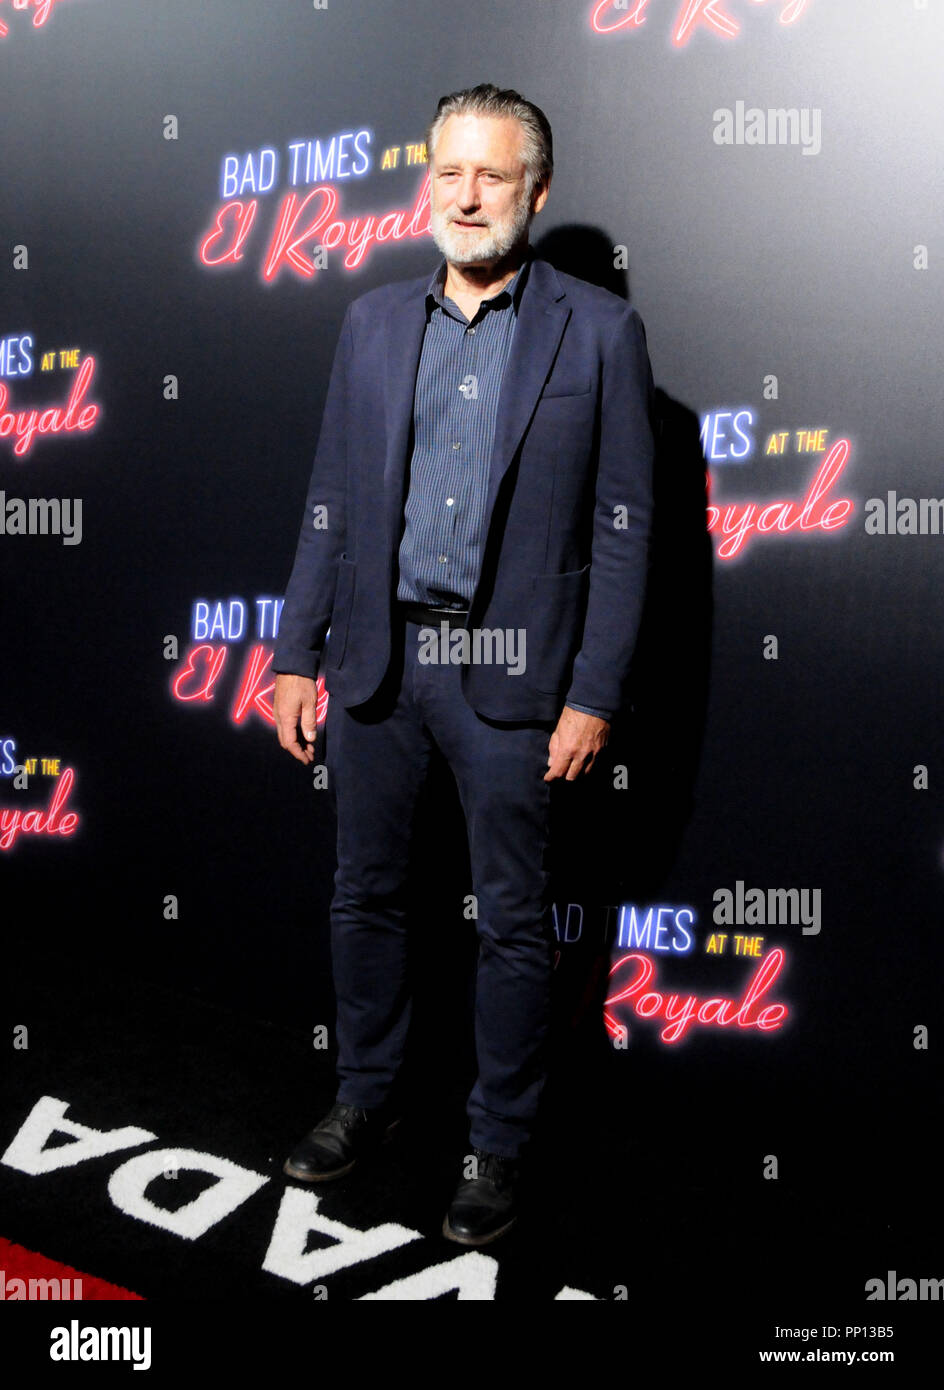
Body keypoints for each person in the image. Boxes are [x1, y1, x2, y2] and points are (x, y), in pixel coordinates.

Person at [272, 83, 656, 1246]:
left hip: (513, 682)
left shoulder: (598, 330)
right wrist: (297, 650)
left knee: (511, 924)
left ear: (534, 191)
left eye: (491, 175)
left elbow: (623, 524)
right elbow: (332, 498)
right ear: (426, 180)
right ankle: (366, 1097)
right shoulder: (372, 323)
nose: (466, 194)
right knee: (364, 897)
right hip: (379, 663)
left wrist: (593, 688)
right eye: (448, 171)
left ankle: (496, 1140)